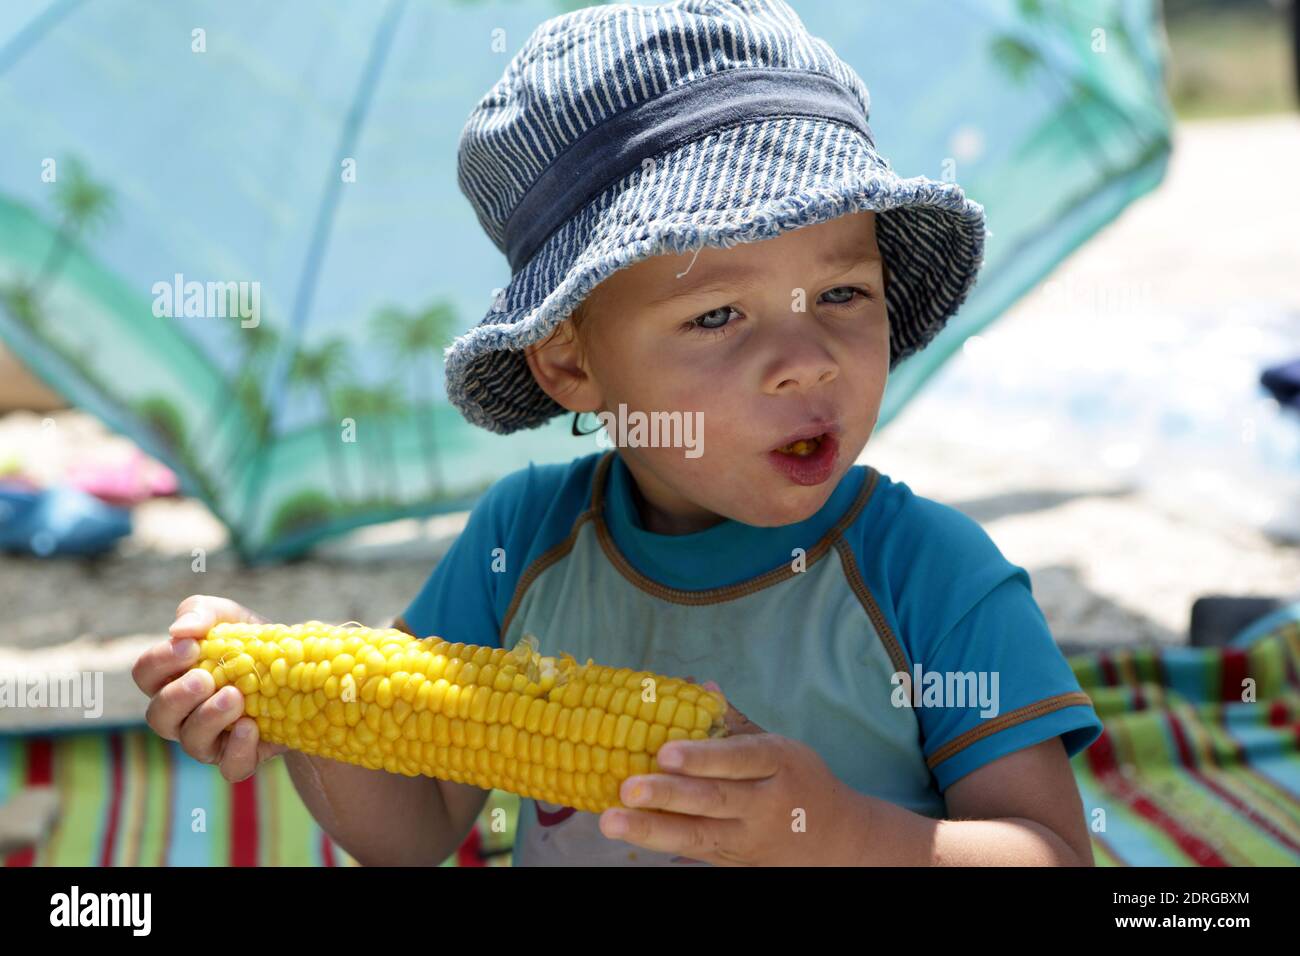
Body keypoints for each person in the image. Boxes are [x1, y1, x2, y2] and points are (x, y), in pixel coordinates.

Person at [136, 0, 1101, 866]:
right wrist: (298, 711)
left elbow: (1052, 853)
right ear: (570, 367)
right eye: (718, 316)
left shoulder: (929, 574)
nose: (807, 359)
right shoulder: (524, 544)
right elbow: (416, 827)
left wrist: (840, 834)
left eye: (843, 292)